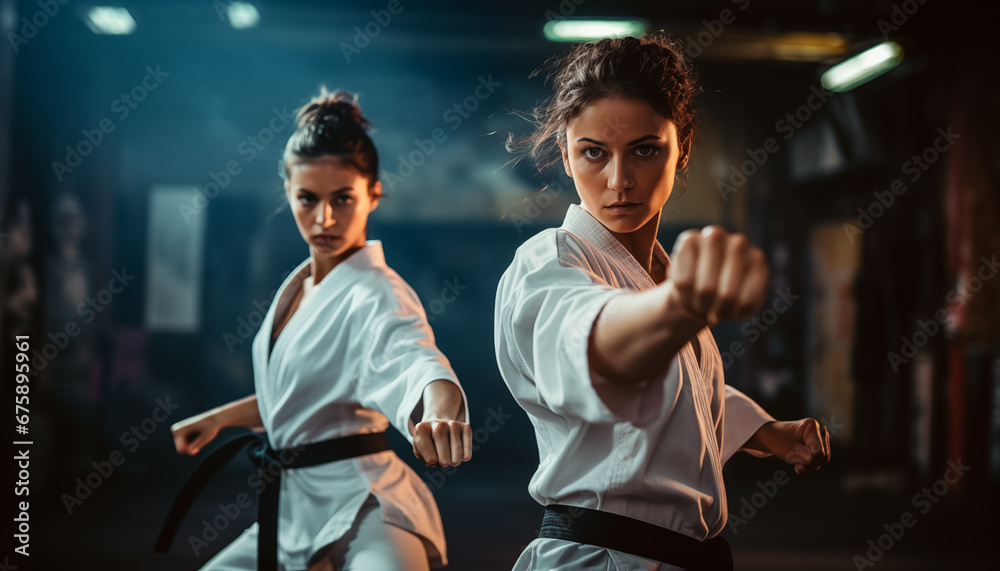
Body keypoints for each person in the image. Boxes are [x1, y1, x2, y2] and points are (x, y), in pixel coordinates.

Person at [495, 34, 831, 571]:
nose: (619, 180)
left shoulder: (662, 273)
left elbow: (688, 393)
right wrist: (681, 308)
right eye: (593, 153)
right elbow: (598, 347)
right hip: (598, 558)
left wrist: (767, 432)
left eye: (645, 150)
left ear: (684, 149)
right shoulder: (549, 263)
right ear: (564, 153)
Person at [158, 89, 472, 571]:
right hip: (289, 510)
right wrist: (222, 418)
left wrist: (441, 409)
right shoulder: (300, 287)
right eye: (308, 199)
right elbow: (303, 396)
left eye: (343, 198)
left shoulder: (378, 295)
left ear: (373, 193)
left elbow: (414, 359)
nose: (324, 218)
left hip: (363, 506)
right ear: (288, 192)